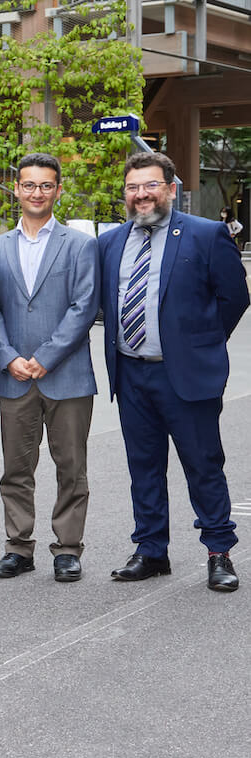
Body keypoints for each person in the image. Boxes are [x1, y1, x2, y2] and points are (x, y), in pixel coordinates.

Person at [99, 151, 249, 592]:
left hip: (186, 375)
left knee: (203, 465)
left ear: (170, 188)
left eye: (150, 185)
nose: (141, 194)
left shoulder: (205, 234)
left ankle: (219, 552)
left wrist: (197, 344)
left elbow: (234, 298)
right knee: (143, 466)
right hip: (131, 375)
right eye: (133, 187)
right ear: (125, 193)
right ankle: (151, 550)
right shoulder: (110, 243)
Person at [0, 153, 99, 583]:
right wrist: (8, 357)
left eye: (45, 185)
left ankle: (68, 548)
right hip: (13, 376)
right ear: (16, 189)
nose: (37, 193)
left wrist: (45, 357)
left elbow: (83, 307)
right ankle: (18, 547)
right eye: (29, 185)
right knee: (16, 468)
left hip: (66, 376)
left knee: (71, 469)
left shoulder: (80, 244)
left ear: (58, 190)